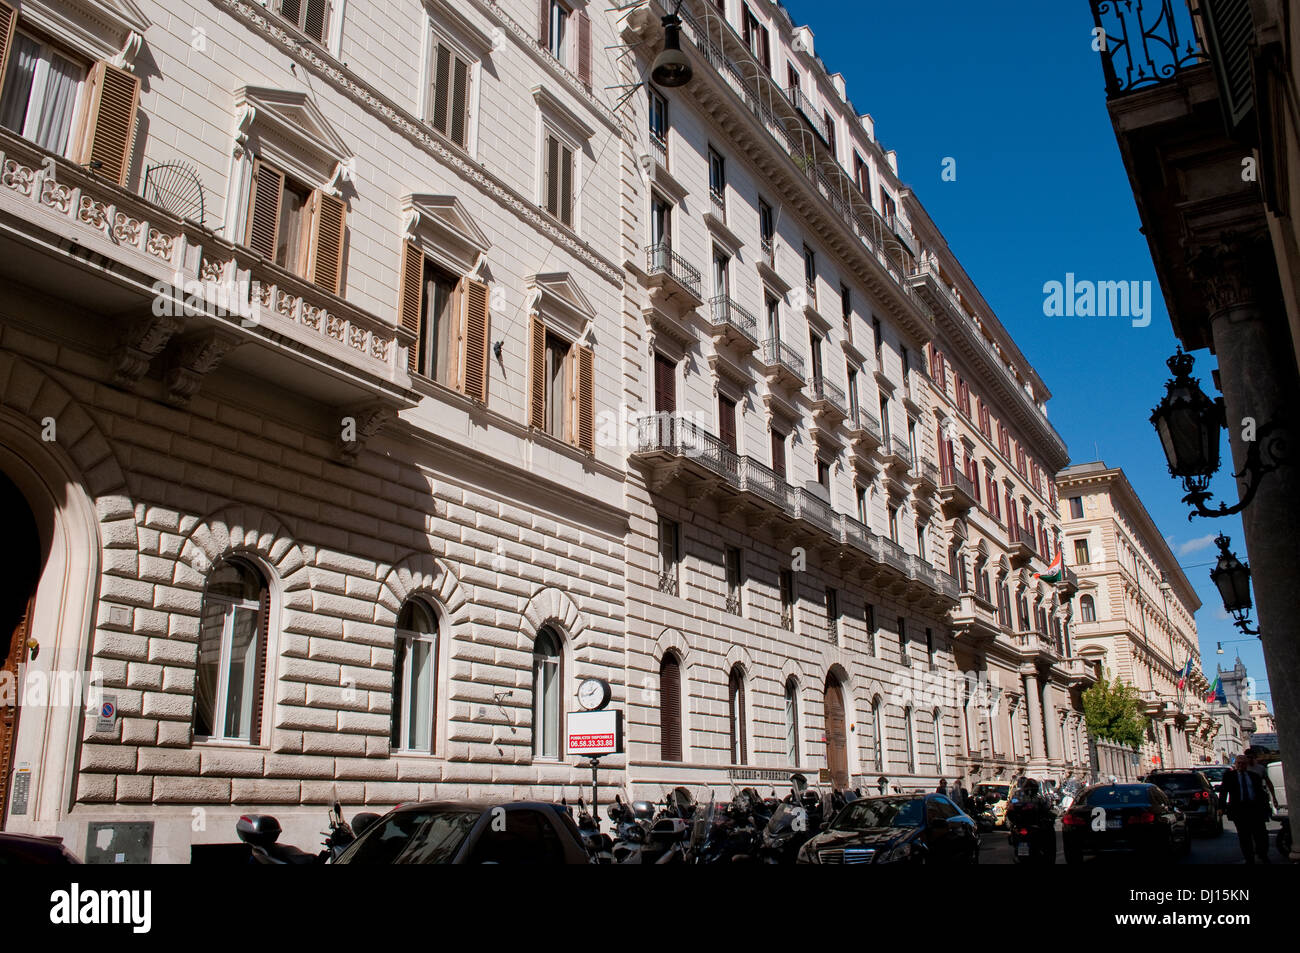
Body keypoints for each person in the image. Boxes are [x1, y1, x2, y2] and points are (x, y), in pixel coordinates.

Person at [1220, 754, 1271, 863]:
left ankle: (1263, 855)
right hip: (1239, 810)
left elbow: (1261, 793)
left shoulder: (1254, 776)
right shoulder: (1229, 776)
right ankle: (1249, 858)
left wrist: (1266, 807)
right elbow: (1223, 792)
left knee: (1260, 834)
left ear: (1246, 765)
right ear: (1235, 764)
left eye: (1243, 763)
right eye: (1238, 763)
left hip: (1254, 809)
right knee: (1244, 836)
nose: (1240, 765)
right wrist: (1221, 807)